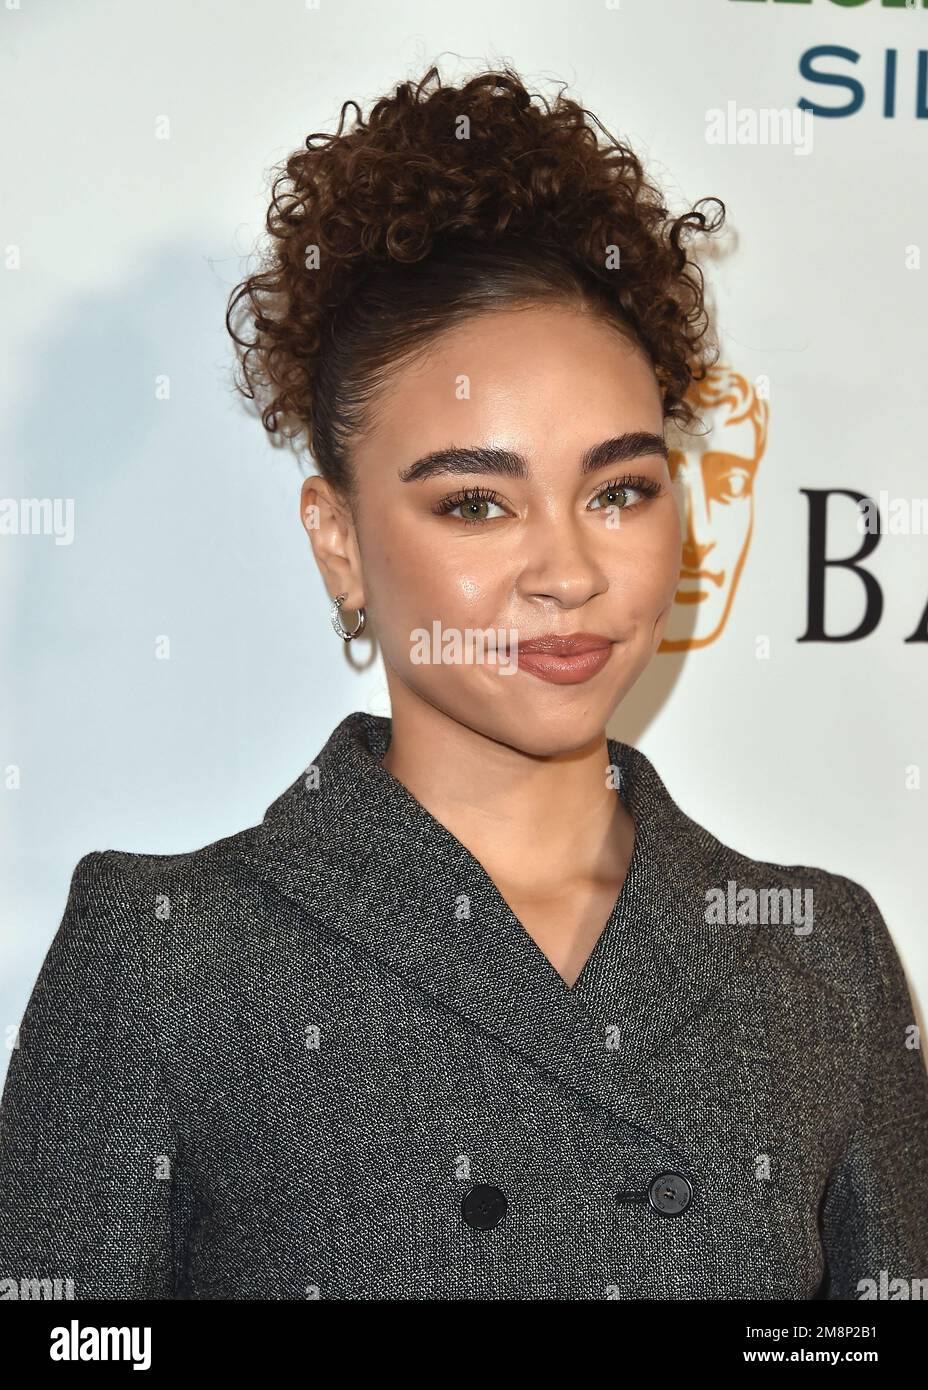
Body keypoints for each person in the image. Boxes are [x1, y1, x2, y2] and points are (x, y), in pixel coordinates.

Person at [1, 64, 926, 1302]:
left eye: (620, 489)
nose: (569, 571)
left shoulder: (818, 955)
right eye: (476, 502)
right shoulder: (167, 954)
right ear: (340, 543)